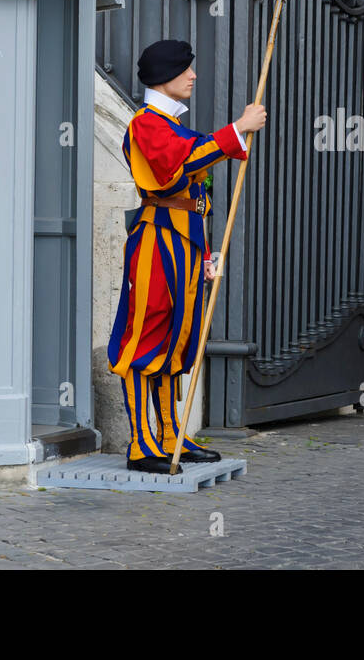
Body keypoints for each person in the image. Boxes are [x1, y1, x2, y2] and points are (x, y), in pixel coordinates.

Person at [107, 39, 267, 473]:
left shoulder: (174, 126)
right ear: (167, 75)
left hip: (184, 243)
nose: (194, 76)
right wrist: (237, 130)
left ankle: (169, 436)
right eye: (186, 70)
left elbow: (197, 176)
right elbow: (177, 166)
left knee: (177, 340)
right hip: (157, 241)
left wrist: (202, 252)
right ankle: (142, 446)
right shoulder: (147, 124)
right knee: (148, 336)